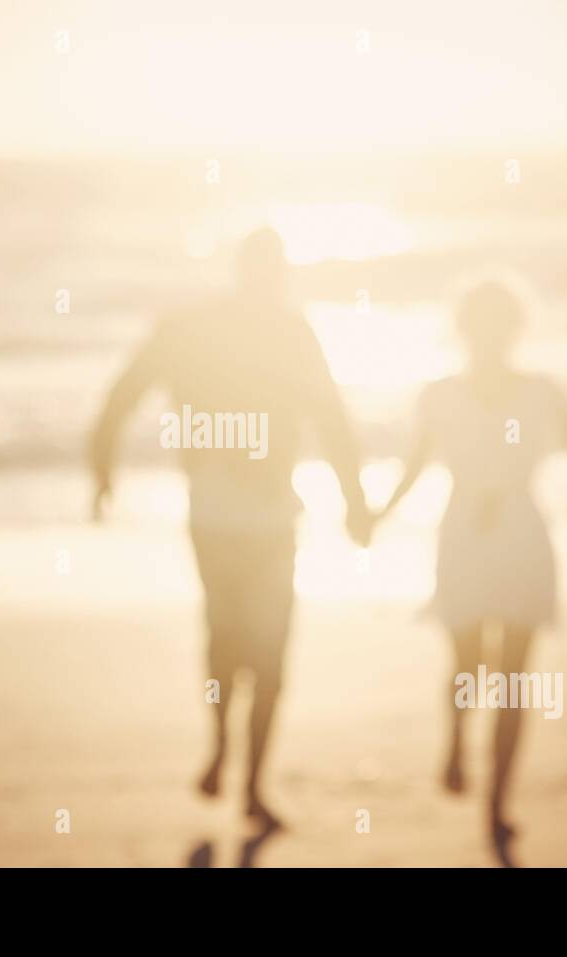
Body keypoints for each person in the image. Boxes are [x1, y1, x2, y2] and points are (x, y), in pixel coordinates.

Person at [89, 228, 372, 829]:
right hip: (240, 513)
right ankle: (241, 772)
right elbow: (332, 416)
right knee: (256, 648)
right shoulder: (265, 331)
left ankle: (238, 767)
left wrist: (103, 471)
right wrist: (355, 502)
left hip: (238, 512)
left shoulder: (207, 329)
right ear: (265, 272)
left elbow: (123, 393)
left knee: (236, 640)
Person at [376, 278, 567, 865]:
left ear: (512, 330)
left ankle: (496, 803)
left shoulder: (540, 391)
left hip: (519, 535)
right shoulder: (444, 394)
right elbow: (416, 464)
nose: (491, 337)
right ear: (468, 330)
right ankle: (455, 743)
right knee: (469, 662)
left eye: (499, 325)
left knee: (514, 680)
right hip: (468, 537)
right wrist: (378, 512)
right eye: (484, 325)